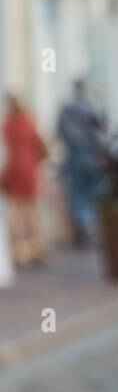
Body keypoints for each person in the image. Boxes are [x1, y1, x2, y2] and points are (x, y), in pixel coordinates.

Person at [1, 94, 49, 268]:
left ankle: (19, 252)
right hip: (30, 167)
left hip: (15, 167)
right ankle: (36, 249)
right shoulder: (29, 120)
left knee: (16, 211)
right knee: (32, 211)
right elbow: (38, 142)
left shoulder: (8, 123)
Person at [57, 79, 105, 248]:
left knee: (77, 194)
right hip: (90, 156)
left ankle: (82, 230)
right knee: (91, 193)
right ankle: (90, 229)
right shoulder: (91, 108)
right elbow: (100, 132)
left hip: (75, 157)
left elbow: (62, 132)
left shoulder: (67, 108)